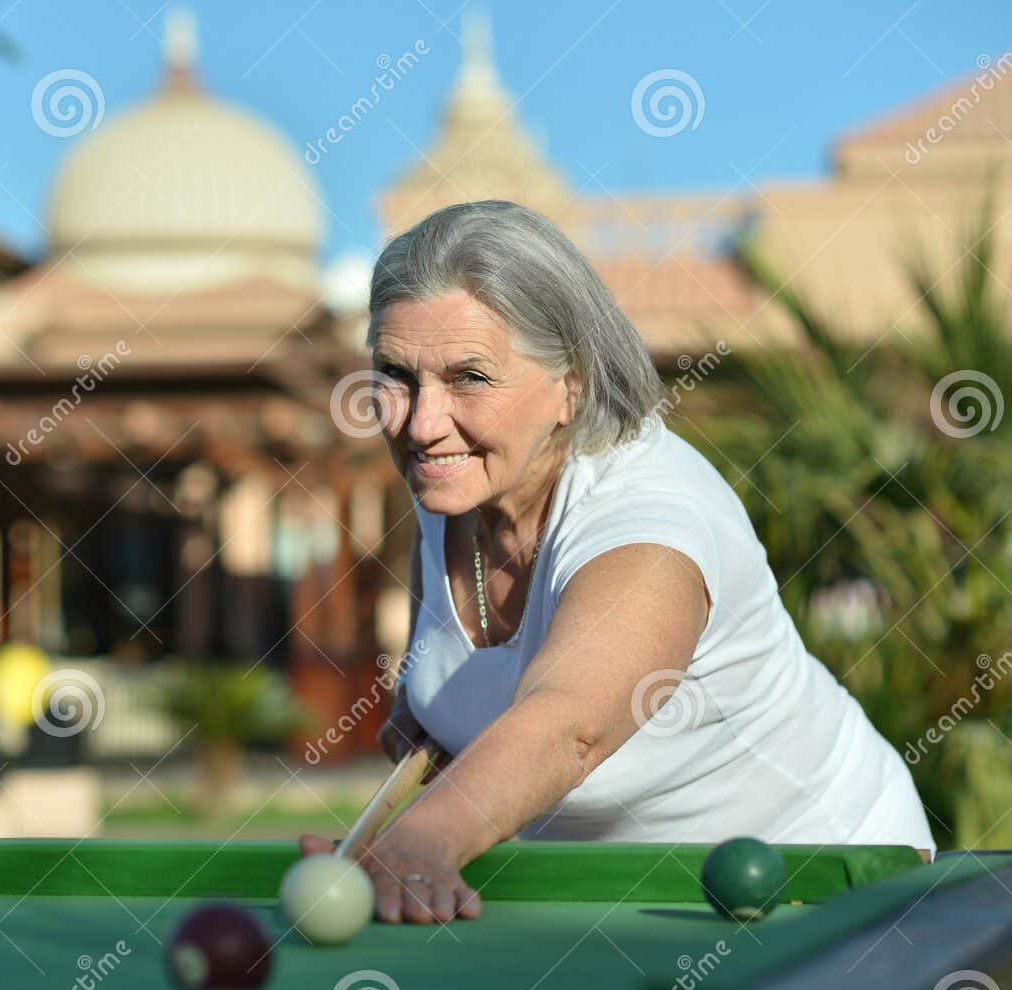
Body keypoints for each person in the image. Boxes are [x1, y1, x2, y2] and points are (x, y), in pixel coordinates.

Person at [298, 200, 934, 925]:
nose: (421, 422)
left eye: (469, 377)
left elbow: (568, 724)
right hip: (612, 905)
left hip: (823, 886)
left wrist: (425, 837)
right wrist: (425, 721)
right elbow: (445, 686)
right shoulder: (453, 484)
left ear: (570, 384)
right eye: (395, 374)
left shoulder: (652, 515)